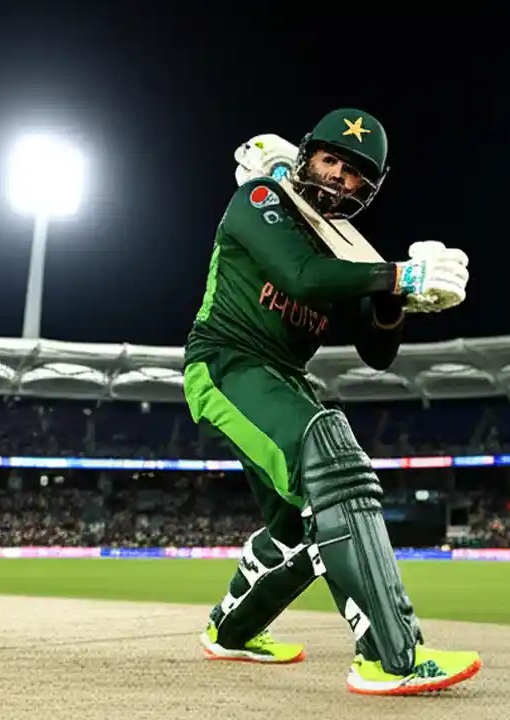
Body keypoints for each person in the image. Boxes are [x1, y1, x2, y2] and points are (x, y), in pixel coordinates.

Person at [181, 107, 479, 695]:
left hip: (283, 377)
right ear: (306, 156)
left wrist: (399, 300)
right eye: (330, 160)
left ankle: (231, 631)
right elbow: (300, 276)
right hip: (226, 361)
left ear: (367, 189)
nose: (339, 176)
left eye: (353, 172)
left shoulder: (344, 251)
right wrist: (398, 276)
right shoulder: (259, 199)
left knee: (296, 526)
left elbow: (377, 350)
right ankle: (391, 659)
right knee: (333, 455)